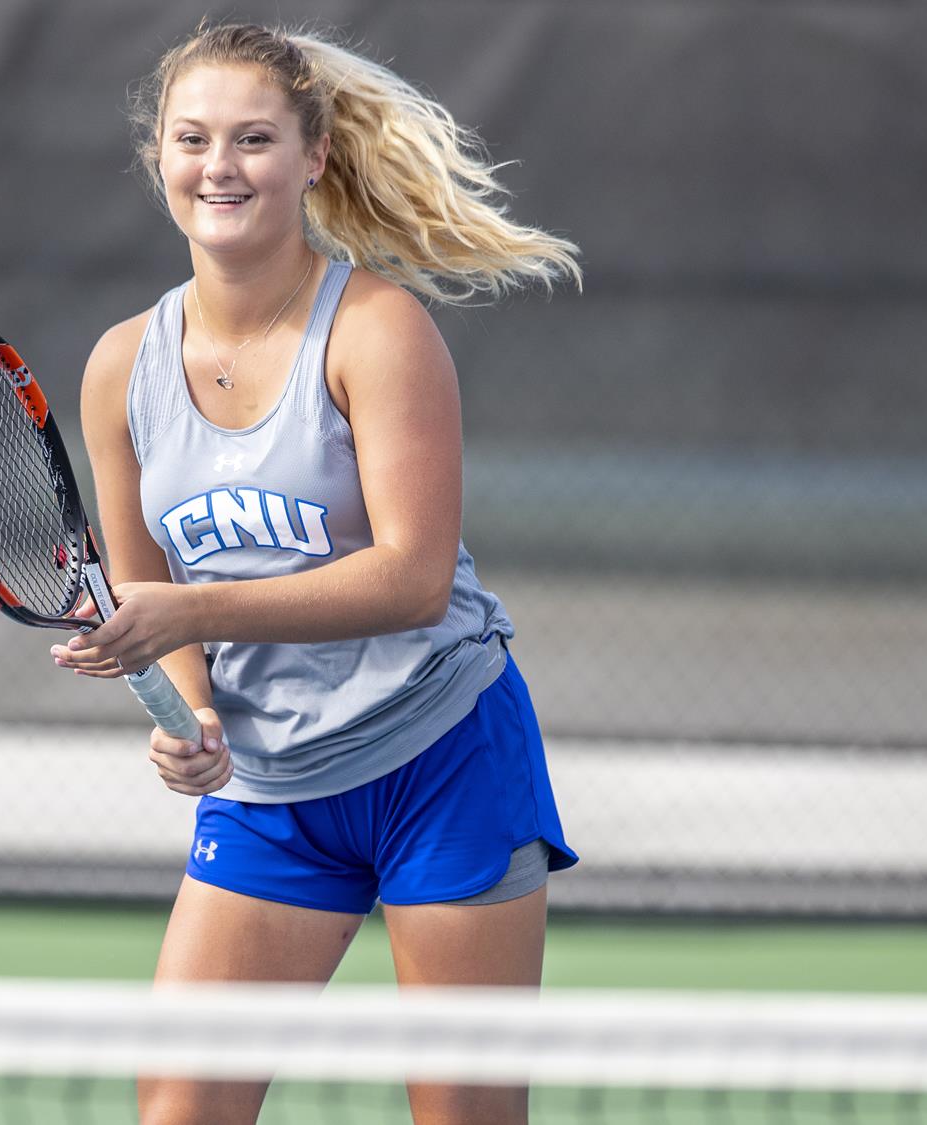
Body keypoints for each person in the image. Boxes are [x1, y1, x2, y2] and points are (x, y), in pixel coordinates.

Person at [48, 22, 580, 1125]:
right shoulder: (119, 371)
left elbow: (412, 580)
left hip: (440, 764)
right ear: (158, 157)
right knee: (180, 1113)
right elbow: (149, 597)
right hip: (269, 791)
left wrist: (181, 611)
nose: (219, 166)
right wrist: (188, 710)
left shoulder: (377, 332)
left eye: (252, 139)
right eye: (191, 139)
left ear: (311, 158)